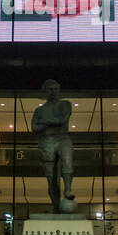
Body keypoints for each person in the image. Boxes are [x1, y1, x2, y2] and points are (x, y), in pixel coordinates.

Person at [32, 79, 75, 211]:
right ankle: (56, 206)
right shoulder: (39, 110)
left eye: (55, 88)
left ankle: (68, 190)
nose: (53, 91)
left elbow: (62, 120)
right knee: (51, 177)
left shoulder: (65, 104)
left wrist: (44, 123)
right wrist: (52, 122)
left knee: (67, 160)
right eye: (50, 89)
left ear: (59, 89)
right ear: (45, 91)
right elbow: (34, 128)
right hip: (47, 141)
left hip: (62, 138)